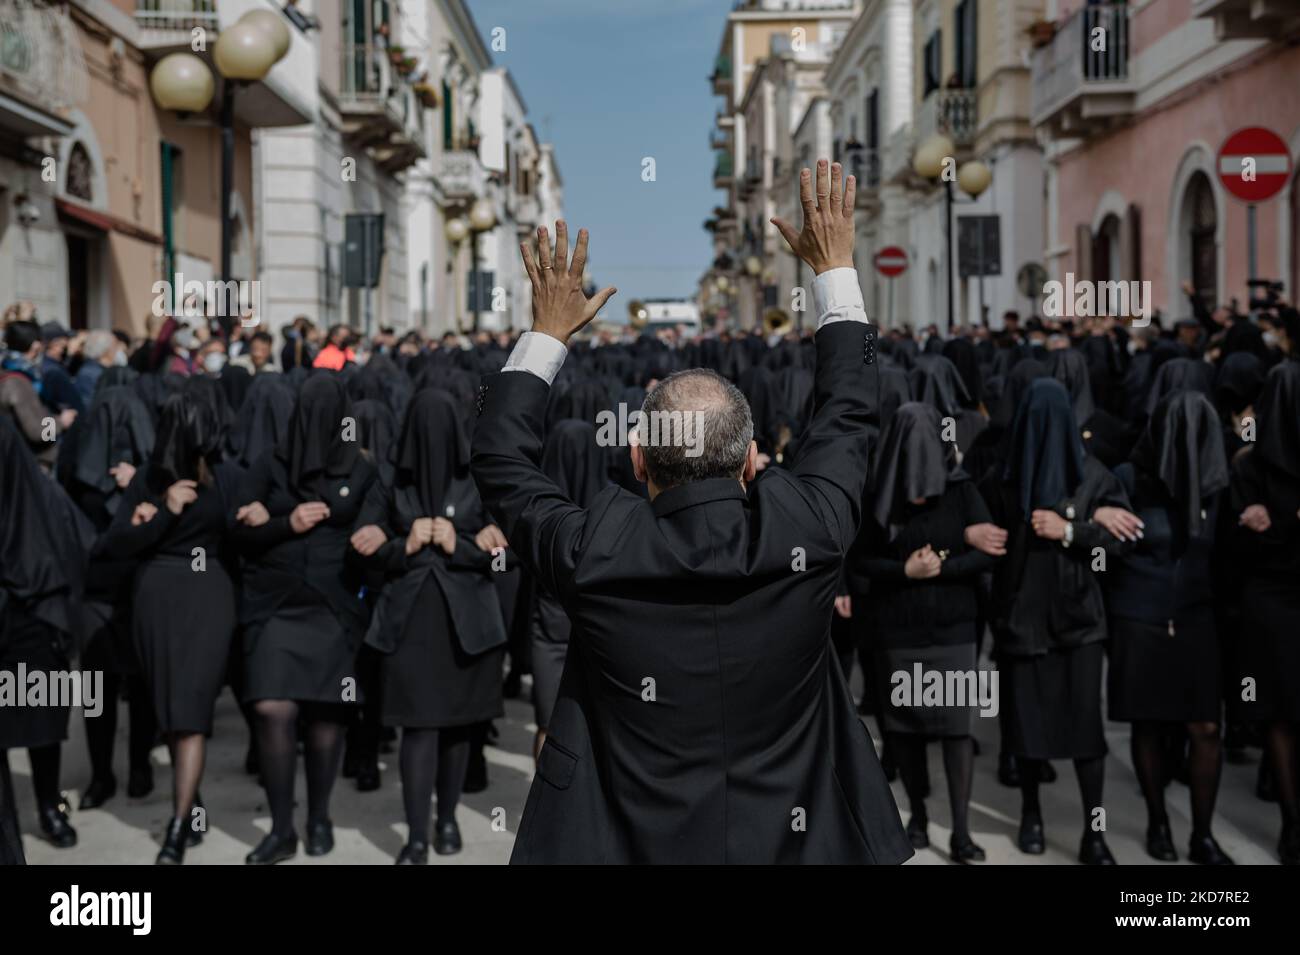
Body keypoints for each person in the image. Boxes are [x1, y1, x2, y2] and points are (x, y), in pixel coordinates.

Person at [471, 161, 911, 864]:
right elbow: (852, 410)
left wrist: (547, 334)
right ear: (750, 461)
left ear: (638, 459)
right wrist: (836, 271)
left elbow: (498, 456)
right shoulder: (813, 529)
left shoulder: (594, 554)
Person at [979, 378, 1136, 864]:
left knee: (1085, 733)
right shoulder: (1001, 478)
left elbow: (1123, 538)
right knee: (1028, 730)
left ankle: (1094, 832)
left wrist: (1072, 529)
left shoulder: (1093, 477)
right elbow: (982, 540)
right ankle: (1031, 814)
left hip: (1079, 623)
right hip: (1021, 621)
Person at [353, 390, 508, 862]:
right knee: (417, 728)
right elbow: (361, 546)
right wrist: (406, 541)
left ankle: (447, 819)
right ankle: (417, 835)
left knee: (458, 727)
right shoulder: (388, 478)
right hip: (410, 620)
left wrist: (460, 543)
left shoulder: (479, 477)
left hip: (467, 622)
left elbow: (505, 553)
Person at [230, 375, 379, 864]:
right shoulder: (271, 463)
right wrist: (282, 523)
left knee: (324, 717)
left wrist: (373, 537)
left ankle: (318, 817)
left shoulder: (361, 469)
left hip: (333, 609)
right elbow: (238, 533)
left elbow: (376, 528)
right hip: (275, 606)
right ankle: (280, 828)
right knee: (272, 708)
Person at [855, 402, 997, 862]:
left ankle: (960, 829)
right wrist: (905, 571)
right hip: (897, 630)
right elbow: (860, 565)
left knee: (956, 728)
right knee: (906, 729)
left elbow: (990, 551)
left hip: (953, 627)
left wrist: (943, 566)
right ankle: (917, 811)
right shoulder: (878, 496)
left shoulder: (961, 490)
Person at [103, 394, 238, 864]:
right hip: (158, 599)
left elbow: (245, 539)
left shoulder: (227, 477)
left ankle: (178, 828)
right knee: (170, 710)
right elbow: (114, 544)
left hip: (207, 601)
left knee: (190, 711)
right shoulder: (149, 478)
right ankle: (190, 799)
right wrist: (162, 511)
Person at [1106, 391, 1234, 864]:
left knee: (1205, 727)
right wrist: (1097, 515)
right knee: (1150, 723)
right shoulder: (1130, 478)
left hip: (1198, 616)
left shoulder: (1219, 481)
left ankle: (1202, 834)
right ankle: (1158, 820)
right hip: (1140, 614)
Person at [0, 417, 95, 850]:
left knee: (40, 718)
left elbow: (79, 546)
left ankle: (48, 806)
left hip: (33, 611)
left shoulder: (38, 496)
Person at [1229, 361, 1300, 864]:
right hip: (1271, 597)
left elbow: (1254, 538)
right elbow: (1241, 539)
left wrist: (1275, 525)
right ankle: (1294, 822)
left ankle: (1293, 824)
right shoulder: (1247, 465)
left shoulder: (1247, 464)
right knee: (1280, 712)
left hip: (1269, 597)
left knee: (1281, 715)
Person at [2, 319, 77, 470]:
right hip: (29, 466)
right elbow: (38, 431)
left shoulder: (6, 371)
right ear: (35, 346)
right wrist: (61, 421)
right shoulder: (18, 381)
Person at [73, 330, 128, 406]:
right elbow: (90, 405)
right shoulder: (90, 374)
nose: (118, 350)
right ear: (106, 351)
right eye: (115, 346)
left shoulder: (104, 370)